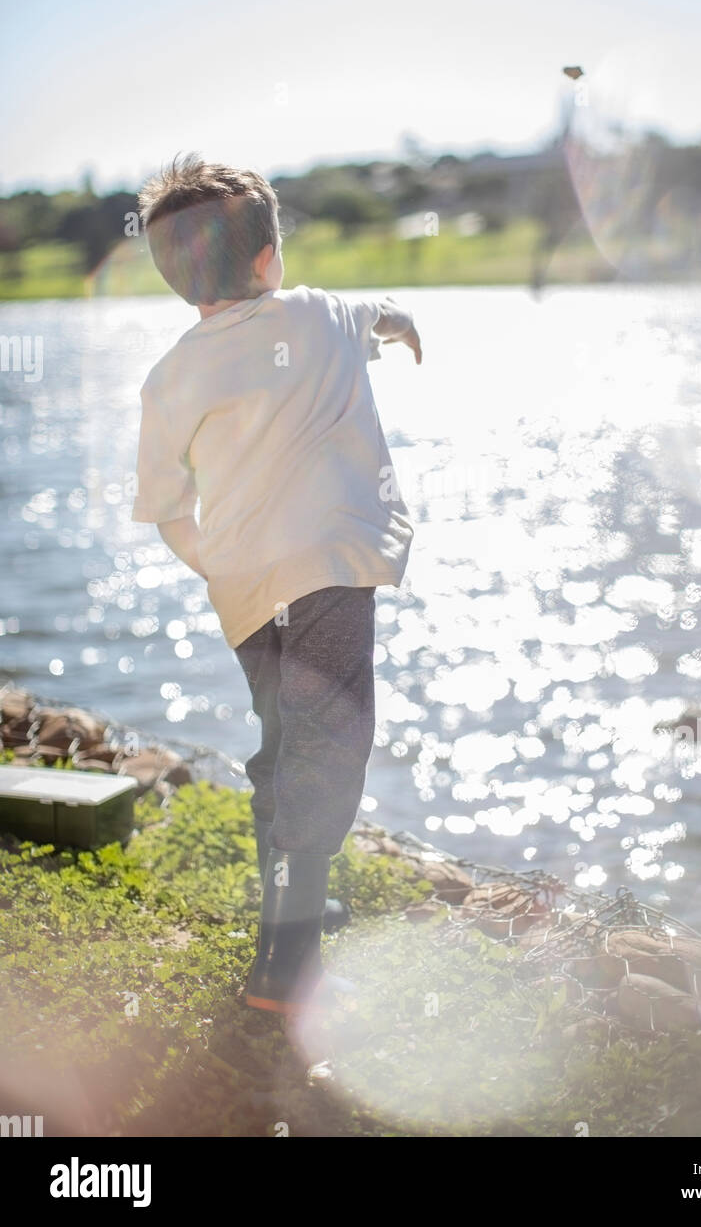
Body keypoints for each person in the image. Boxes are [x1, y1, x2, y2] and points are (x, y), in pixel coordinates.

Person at [130, 154, 420, 1019]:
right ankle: (287, 968)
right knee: (326, 755)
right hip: (327, 578)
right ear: (269, 258)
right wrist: (404, 323)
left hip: (247, 593)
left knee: (282, 751)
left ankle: (285, 942)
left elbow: (167, 508)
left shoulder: (170, 374)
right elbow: (374, 310)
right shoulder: (320, 314)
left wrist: (219, 568)